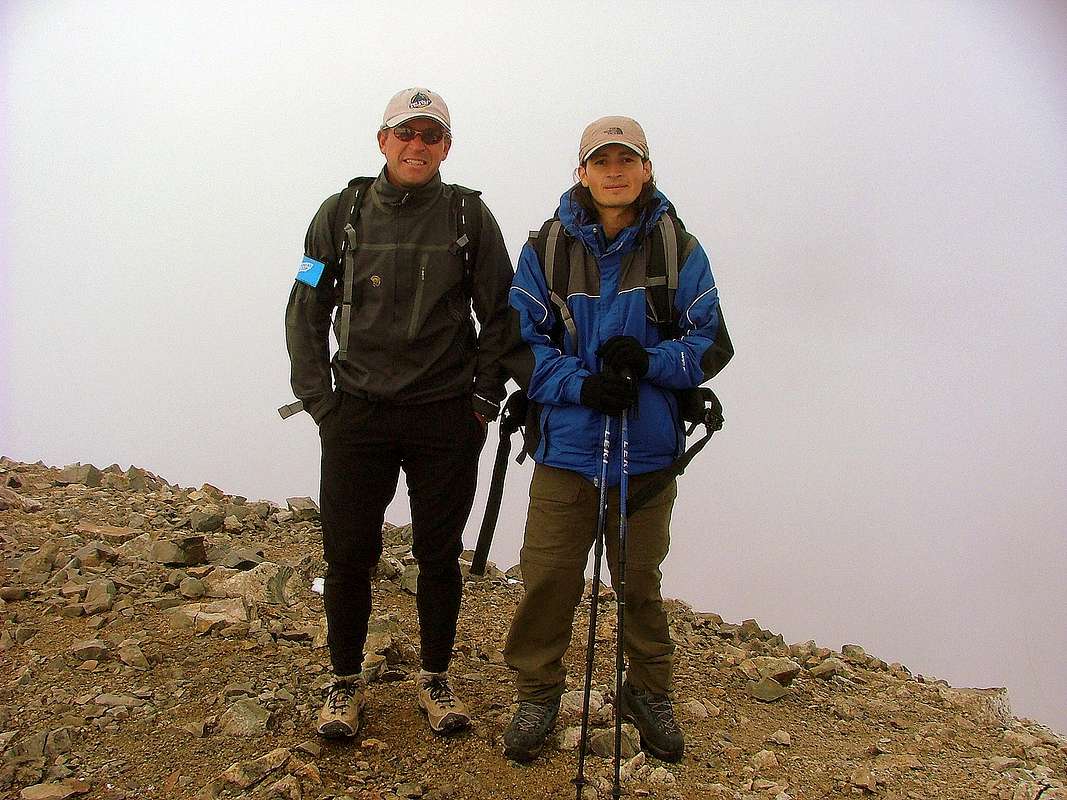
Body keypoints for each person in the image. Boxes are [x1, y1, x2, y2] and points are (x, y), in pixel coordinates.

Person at [284, 87, 516, 739]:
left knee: (437, 556)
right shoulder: (341, 213)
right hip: (356, 414)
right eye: (405, 133)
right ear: (381, 140)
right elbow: (305, 305)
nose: (417, 145)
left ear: (446, 147)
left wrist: (481, 401)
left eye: (431, 136)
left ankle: (435, 678)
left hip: (445, 416)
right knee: (347, 554)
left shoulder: (470, 217)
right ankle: (341, 682)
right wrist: (320, 402)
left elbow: (501, 315)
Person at [501, 116, 733, 763]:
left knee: (638, 584)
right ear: (581, 172)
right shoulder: (544, 248)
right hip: (566, 453)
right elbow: (519, 343)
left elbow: (710, 340)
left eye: (625, 160)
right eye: (600, 161)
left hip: (647, 455)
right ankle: (537, 693)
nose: (613, 171)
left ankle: (648, 691)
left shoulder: (676, 249)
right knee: (548, 578)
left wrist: (651, 363)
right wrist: (581, 385)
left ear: (645, 169)